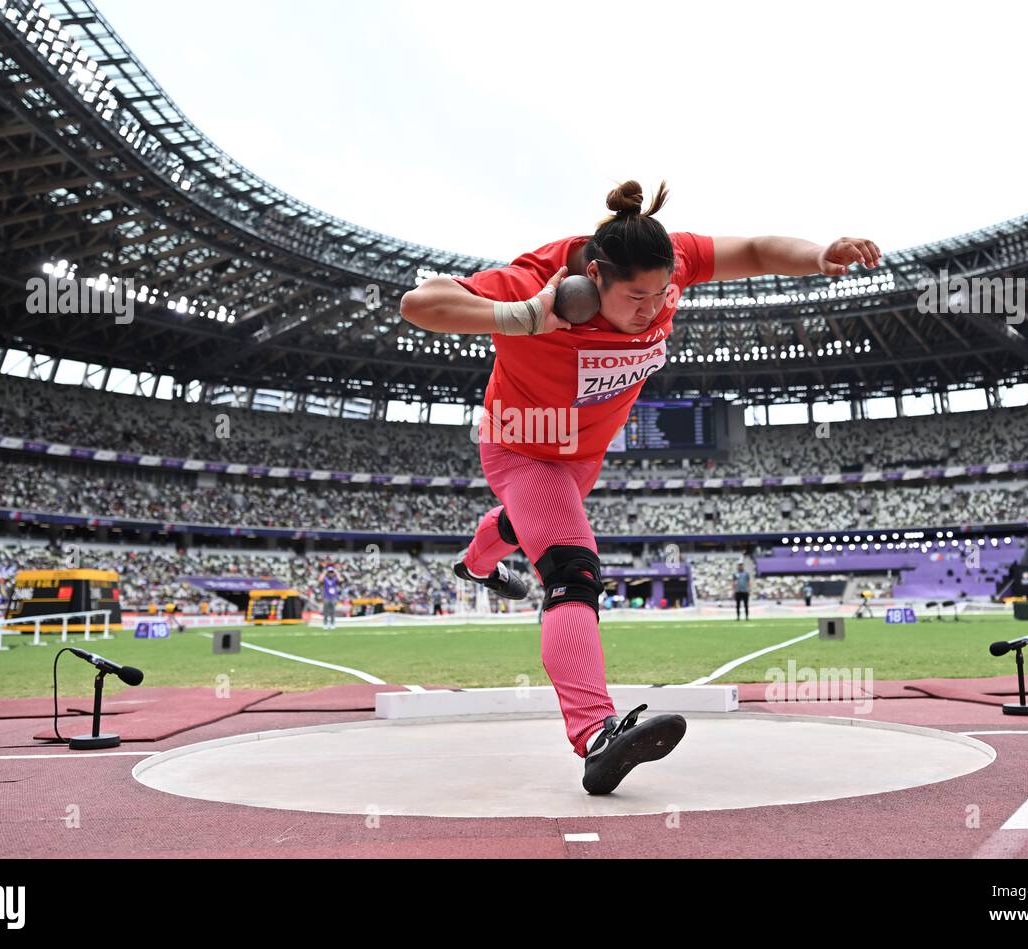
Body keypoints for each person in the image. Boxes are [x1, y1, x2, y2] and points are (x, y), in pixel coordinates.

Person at [400, 179, 880, 794]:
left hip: (583, 459)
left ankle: (476, 564)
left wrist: (818, 255)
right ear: (592, 277)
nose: (651, 311)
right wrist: (524, 318)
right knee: (572, 570)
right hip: (520, 445)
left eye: (662, 294)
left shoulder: (668, 260)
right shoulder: (534, 282)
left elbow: (757, 249)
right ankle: (595, 734)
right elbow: (421, 303)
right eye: (635, 297)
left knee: (524, 526)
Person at [321, 565, 341, 630]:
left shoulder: (335, 579)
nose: (331, 573)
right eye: (329, 572)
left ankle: (332, 624)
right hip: (326, 597)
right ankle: (325, 624)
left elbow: (341, 580)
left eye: (332, 572)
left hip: (333, 597)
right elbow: (320, 580)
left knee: (332, 611)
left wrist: (336, 572)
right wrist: (324, 572)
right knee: (325, 611)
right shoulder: (325, 579)